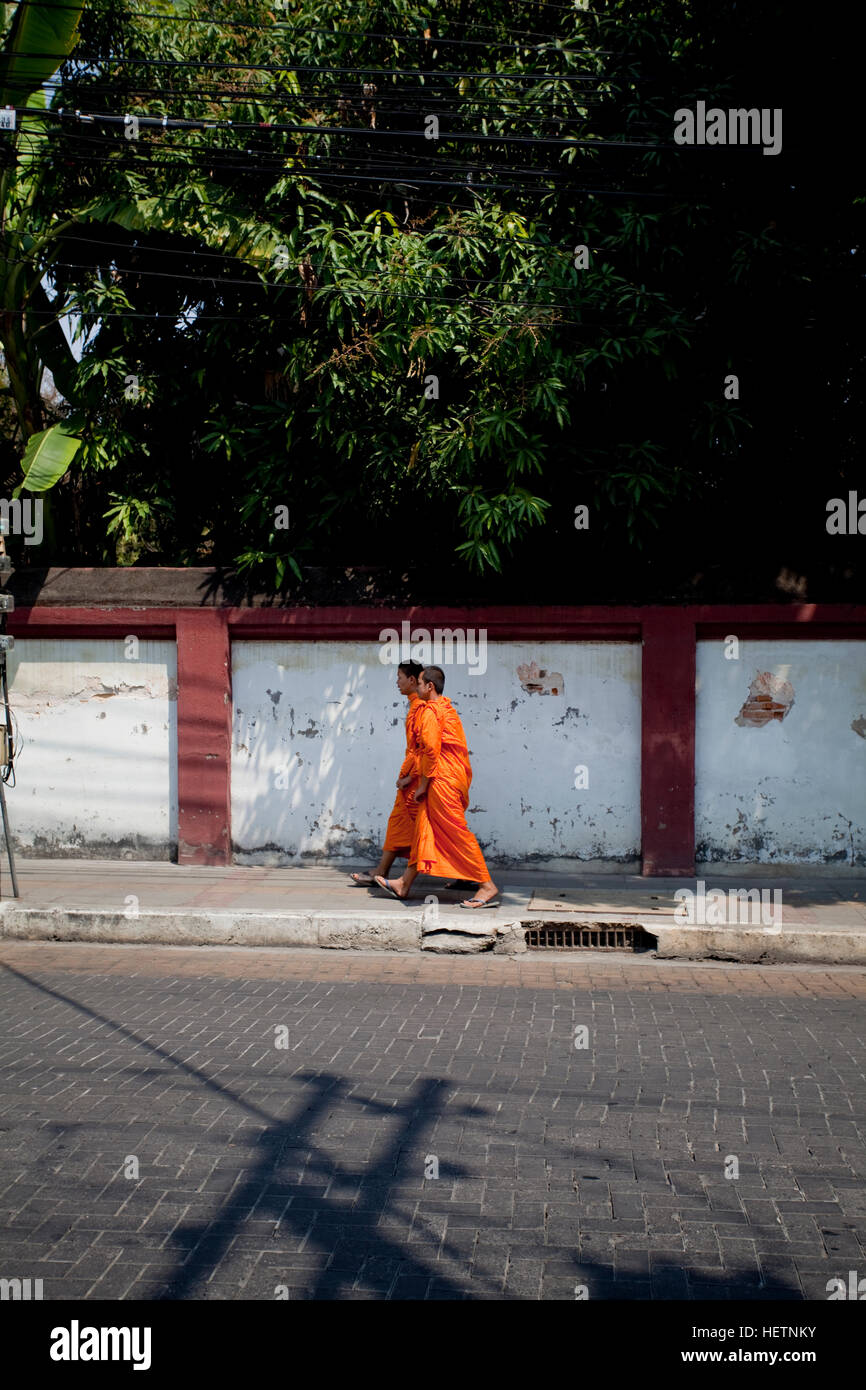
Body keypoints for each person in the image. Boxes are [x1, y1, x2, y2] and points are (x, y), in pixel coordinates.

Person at [373, 665, 499, 908]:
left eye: (419, 683)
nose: (416, 688)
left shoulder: (432, 712)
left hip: (443, 781)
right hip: (448, 778)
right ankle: (404, 883)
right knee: (425, 830)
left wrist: (421, 784)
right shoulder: (446, 709)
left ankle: (486, 885)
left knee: (457, 833)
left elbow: (430, 750)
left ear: (429, 686)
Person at [349, 660, 426, 885]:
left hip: (416, 779)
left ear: (412, 680)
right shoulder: (415, 706)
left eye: (400, 677)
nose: (397, 682)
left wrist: (410, 778)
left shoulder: (420, 708)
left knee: (429, 830)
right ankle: (380, 871)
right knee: (399, 824)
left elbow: (424, 749)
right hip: (412, 778)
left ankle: (470, 876)